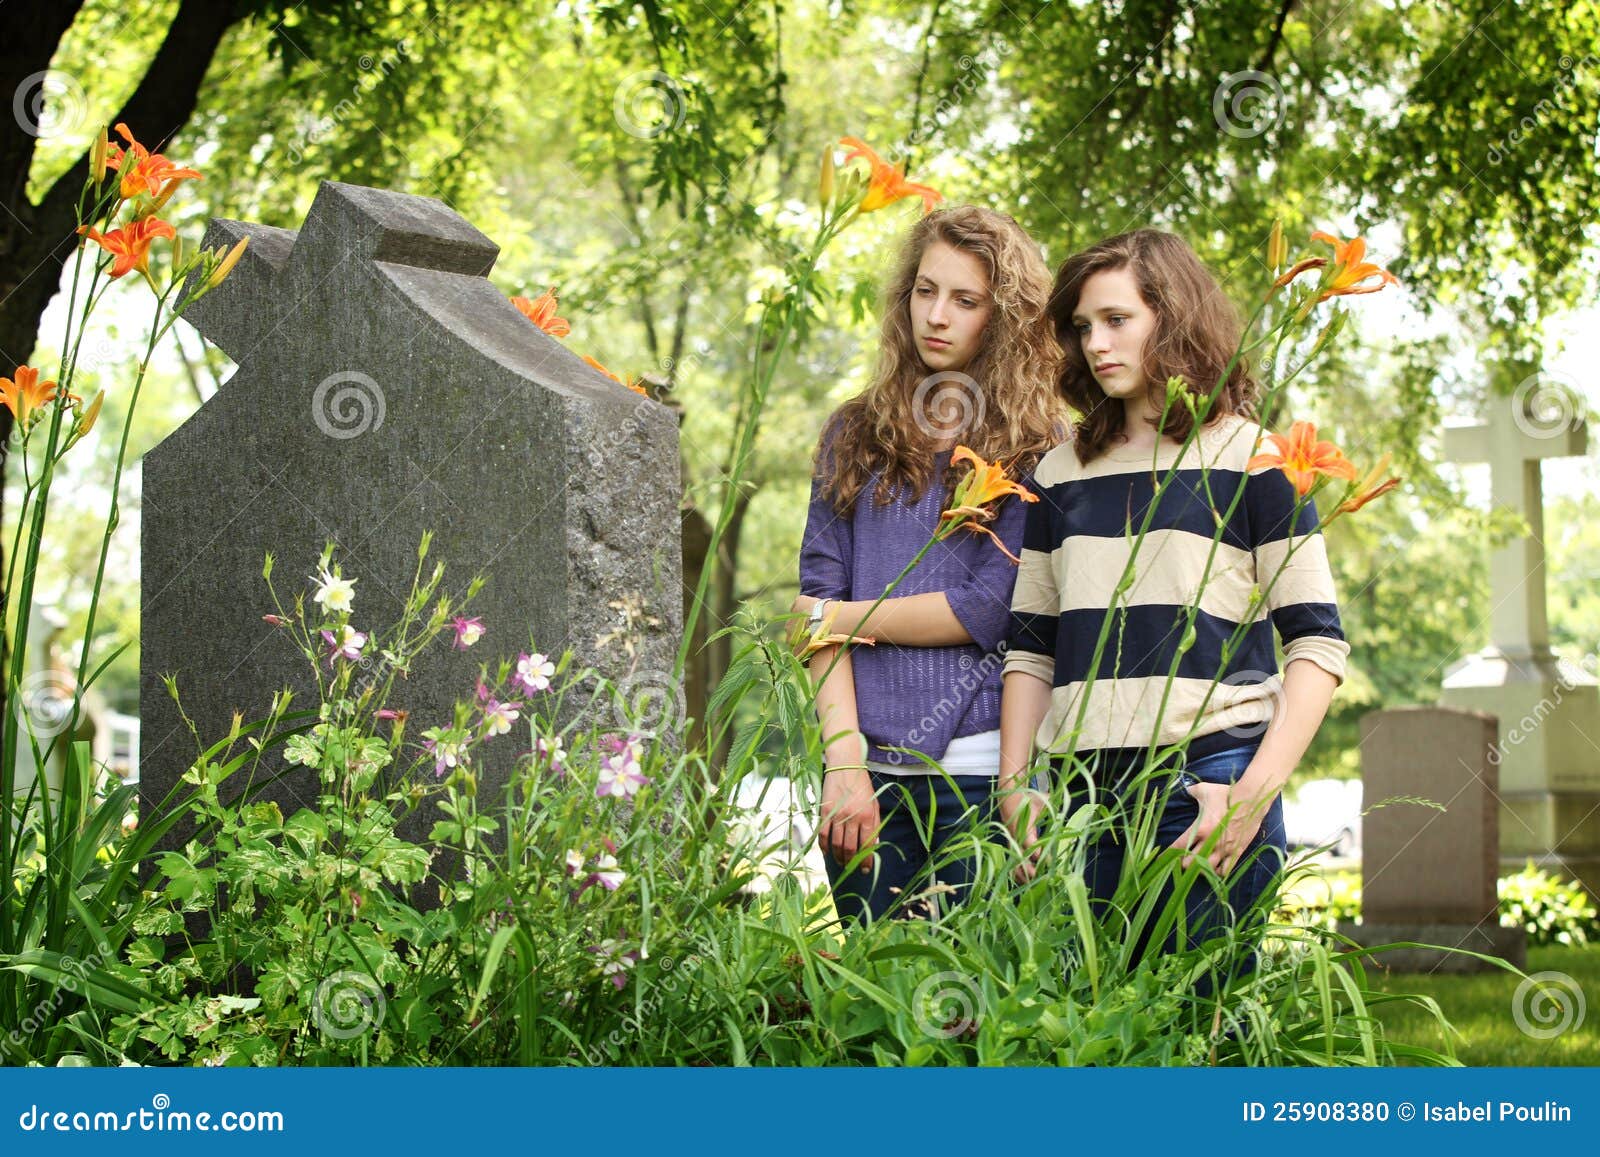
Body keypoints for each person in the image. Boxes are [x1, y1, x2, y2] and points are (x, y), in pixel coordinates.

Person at [998, 228, 1348, 968]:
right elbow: (1031, 646)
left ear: (1175, 315)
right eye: (1084, 326)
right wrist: (1016, 786)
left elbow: (1318, 643)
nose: (1095, 342)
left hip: (1206, 787)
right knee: (1091, 1048)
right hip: (1078, 800)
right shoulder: (1058, 473)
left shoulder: (1257, 459)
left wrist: (1252, 790)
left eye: (1117, 319)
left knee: (1197, 1047)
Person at [795, 204, 1065, 922]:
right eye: (924, 289)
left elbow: (985, 607)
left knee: (975, 1016)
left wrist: (843, 618)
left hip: (976, 774)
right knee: (873, 1018)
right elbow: (810, 605)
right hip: (863, 782)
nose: (936, 315)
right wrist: (844, 761)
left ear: (1002, 316)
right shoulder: (854, 431)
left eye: (965, 300)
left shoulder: (1038, 444)